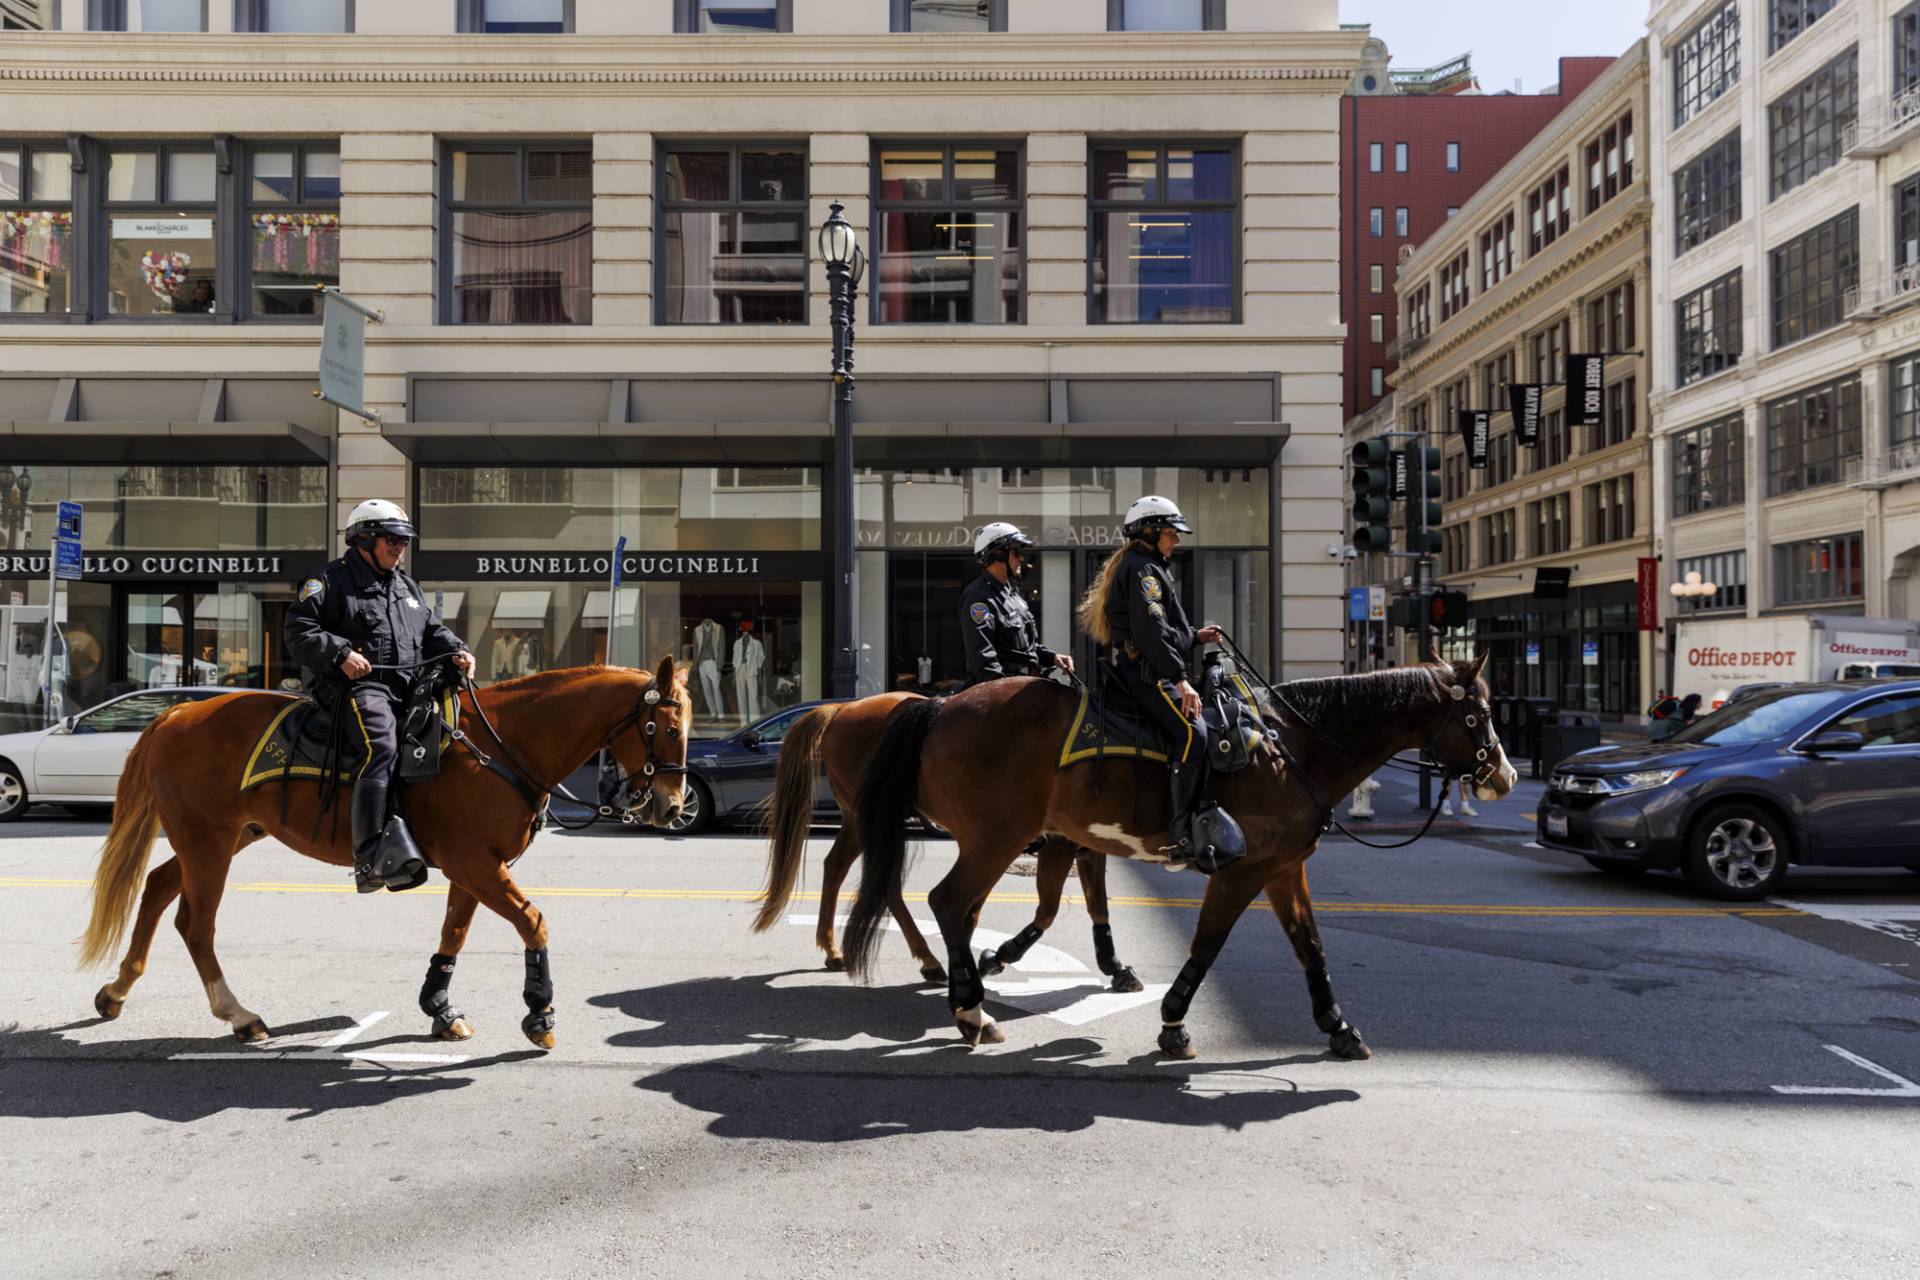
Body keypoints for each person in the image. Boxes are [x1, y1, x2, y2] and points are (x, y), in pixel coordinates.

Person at [283, 499, 475, 893]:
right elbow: (299, 630)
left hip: (408, 688)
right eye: (391, 539)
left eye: (403, 541)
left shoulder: (406, 585)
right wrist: (340, 654)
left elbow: (431, 630)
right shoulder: (328, 581)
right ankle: (369, 857)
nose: (399, 547)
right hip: (357, 687)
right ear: (364, 539)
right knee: (382, 747)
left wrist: (457, 649)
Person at [1077, 495, 1243, 874]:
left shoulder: (1148, 567)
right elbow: (1151, 633)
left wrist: (1195, 636)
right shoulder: (1143, 571)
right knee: (1194, 733)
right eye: (1171, 533)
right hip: (1146, 675)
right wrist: (1180, 680)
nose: (1177, 540)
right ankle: (1180, 835)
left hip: (1150, 668)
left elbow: (1162, 630)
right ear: (1149, 532)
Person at [959, 522, 1075, 687]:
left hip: (1025, 686)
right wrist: (1004, 692)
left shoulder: (1013, 595)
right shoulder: (978, 596)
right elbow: (982, 656)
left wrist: (1053, 658)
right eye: (1016, 552)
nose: (1021, 558)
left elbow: (1027, 649)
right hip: (1003, 691)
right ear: (997, 554)